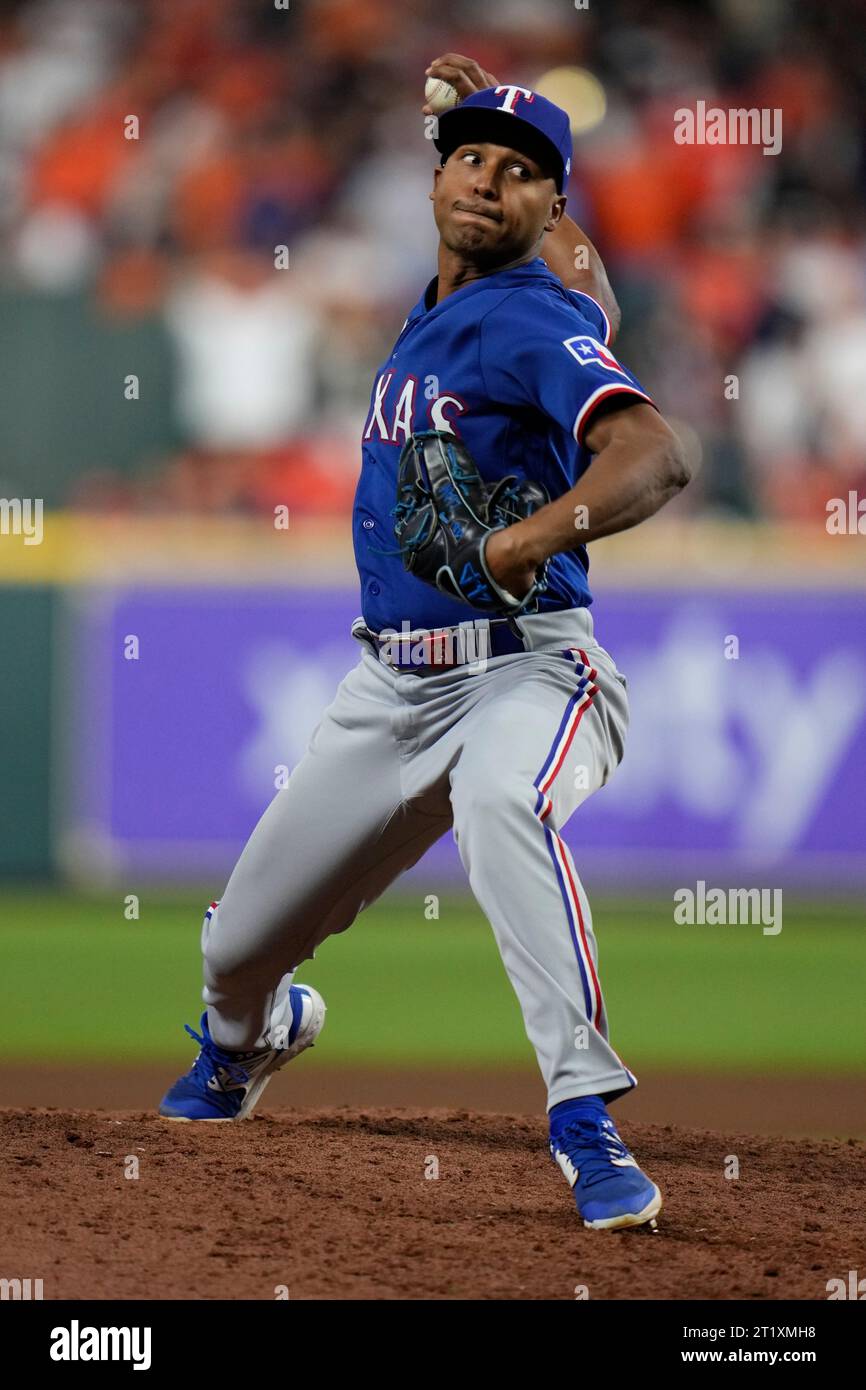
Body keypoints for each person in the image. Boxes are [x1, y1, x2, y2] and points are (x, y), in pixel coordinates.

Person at [159, 54, 690, 1233]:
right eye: (470, 161)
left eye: (522, 175)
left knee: (505, 800)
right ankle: (251, 1042)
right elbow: (538, 238)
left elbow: (656, 455)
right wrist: (470, 125)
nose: (488, 183)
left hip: (527, 664)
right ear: (434, 173)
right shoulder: (443, 307)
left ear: (555, 210)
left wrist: (524, 543)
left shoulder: (534, 318)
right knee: (235, 948)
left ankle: (583, 1114)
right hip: (387, 683)